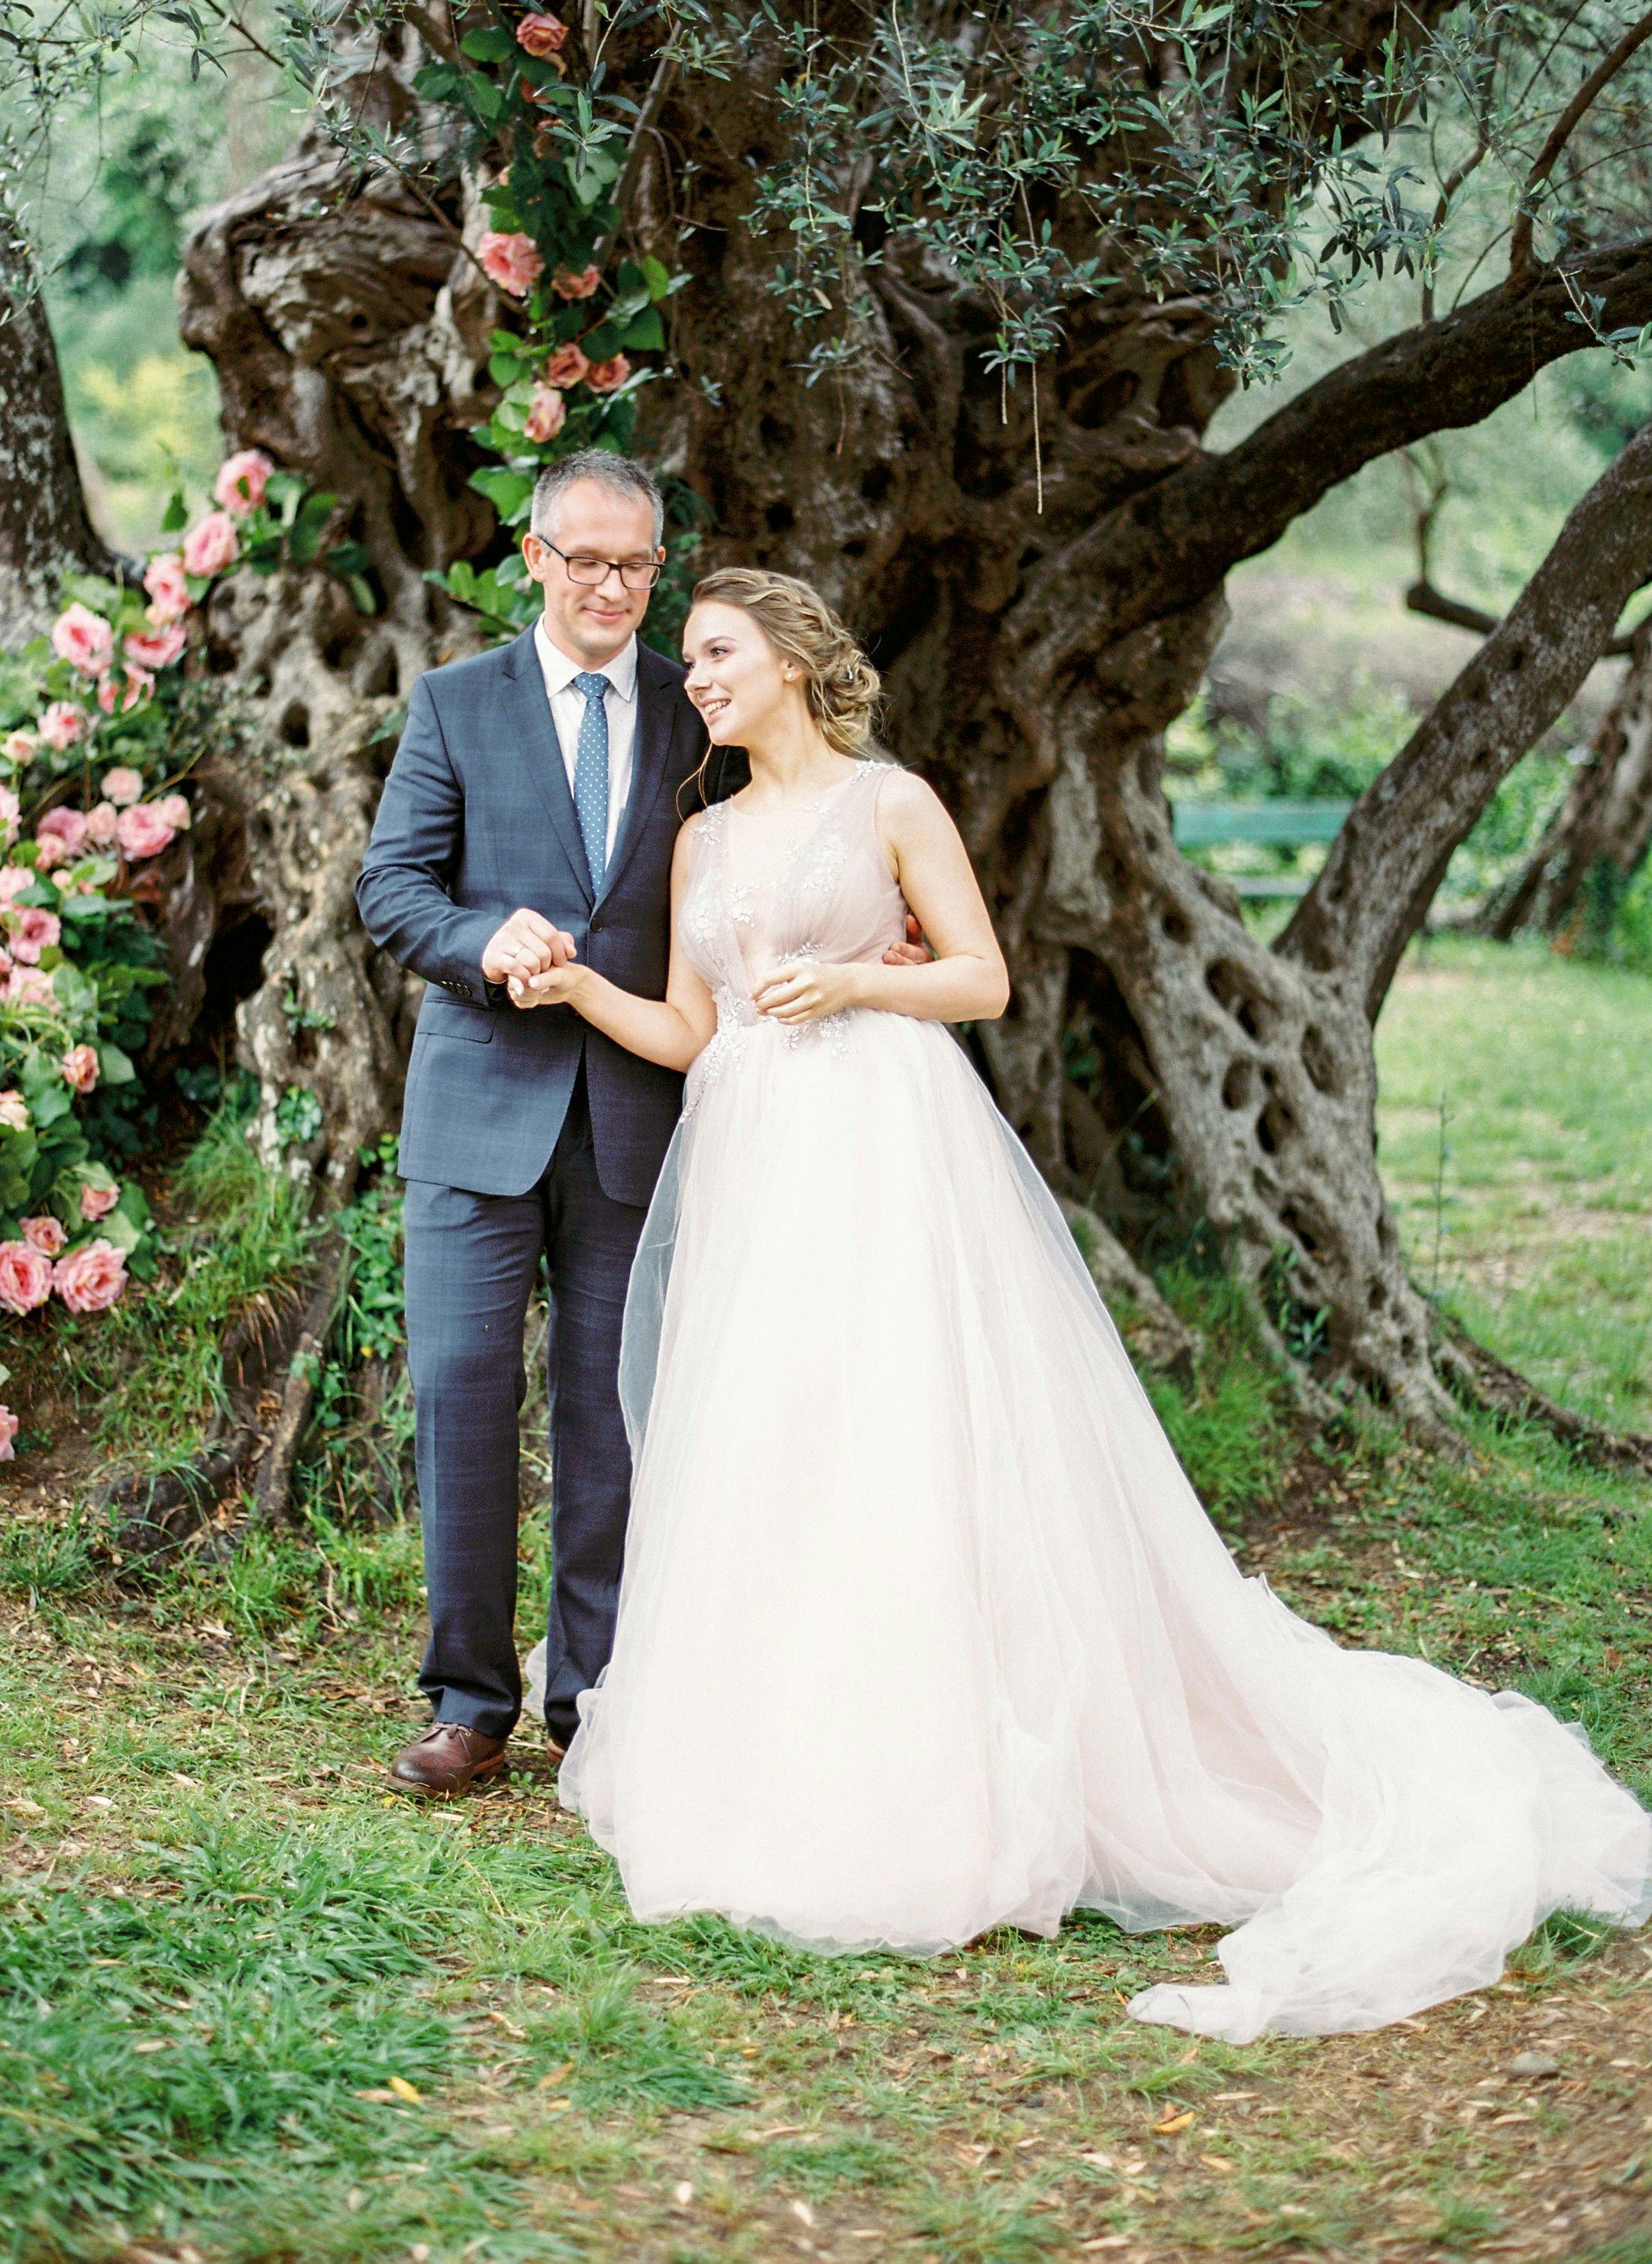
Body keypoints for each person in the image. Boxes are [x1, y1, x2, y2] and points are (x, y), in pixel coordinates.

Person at [504, 564, 1652, 2041]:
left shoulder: (890, 803)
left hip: (879, 1141)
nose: (696, 678)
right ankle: (784, 1756)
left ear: (791, 658)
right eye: (691, 660)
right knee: (774, 1446)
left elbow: (978, 979)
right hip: (749, 1172)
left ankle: (961, 1775)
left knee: (901, 1433)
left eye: (715, 651)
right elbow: (683, 1026)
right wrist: (572, 993)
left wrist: (858, 986)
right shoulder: (698, 835)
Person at [354, 457, 918, 1795]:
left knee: (617, 1421)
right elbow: (390, 888)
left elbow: (790, 834)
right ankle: (468, 1701)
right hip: (476, 1114)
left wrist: (865, 944)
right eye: (587, 560)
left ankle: (597, 1699)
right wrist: (481, 938)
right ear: (536, 560)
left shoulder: (697, 710)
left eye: (637, 566)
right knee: (462, 1405)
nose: (612, 587)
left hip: (641, 1122)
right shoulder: (453, 704)